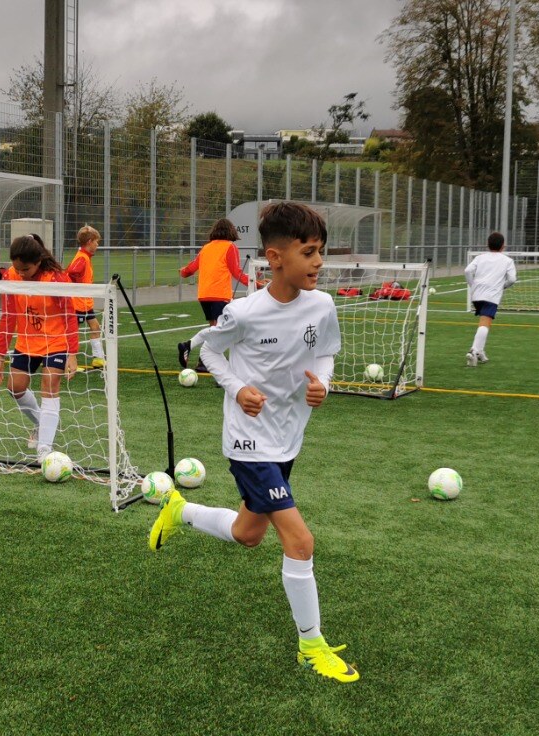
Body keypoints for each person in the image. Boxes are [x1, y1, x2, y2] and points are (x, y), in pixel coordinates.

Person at [148, 201, 356, 684]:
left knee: (248, 534)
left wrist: (322, 383)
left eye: (320, 251)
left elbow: (326, 353)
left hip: (288, 438)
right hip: (248, 442)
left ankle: (180, 511)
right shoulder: (244, 312)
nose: (319, 262)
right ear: (275, 258)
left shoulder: (322, 305)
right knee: (300, 541)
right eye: (309, 252)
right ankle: (311, 647)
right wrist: (238, 388)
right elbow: (209, 352)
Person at [0, 234, 79, 458]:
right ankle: (43, 424)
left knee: (49, 386)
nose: (21, 273)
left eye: (26, 270)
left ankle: (44, 449)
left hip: (55, 341)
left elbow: (69, 315)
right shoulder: (10, 277)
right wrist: (0, 355)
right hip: (26, 342)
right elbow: (8, 317)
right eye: (17, 269)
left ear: (38, 262)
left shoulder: (56, 279)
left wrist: (72, 353)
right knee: (15, 388)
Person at [177, 218, 251, 372]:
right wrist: (254, 282)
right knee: (221, 330)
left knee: (214, 328)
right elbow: (236, 271)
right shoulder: (230, 247)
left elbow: (191, 268)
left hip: (204, 294)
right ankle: (190, 347)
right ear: (231, 231)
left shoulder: (206, 247)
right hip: (220, 294)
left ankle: (203, 362)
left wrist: (183, 272)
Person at [464, 232, 518, 367]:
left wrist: (472, 285)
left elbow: (467, 271)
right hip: (491, 295)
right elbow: (512, 279)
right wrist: (503, 286)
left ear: (487, 245)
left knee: (483, 321)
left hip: (476, 295)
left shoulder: (480, 257)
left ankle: (480, 352)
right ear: (503, 246)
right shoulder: (507, 260)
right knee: (485, 323)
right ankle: (474, 351)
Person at [64, 224, 107, 368]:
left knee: (95, 326)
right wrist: (77, 288)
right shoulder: (82, 258)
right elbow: (72, 271)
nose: (97, 245)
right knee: (72, 332)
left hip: (85, 303)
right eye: (96, 242)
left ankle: (98, 358)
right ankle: (67, 361)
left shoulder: (85, 257)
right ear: (89, 242)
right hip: (78, 304)